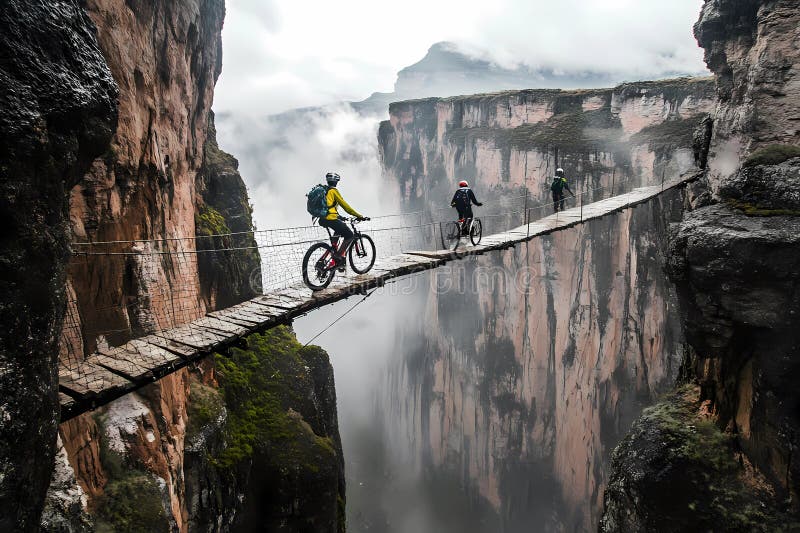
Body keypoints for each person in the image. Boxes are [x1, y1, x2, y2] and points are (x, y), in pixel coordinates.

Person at [318, 172, 368, 268]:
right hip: (331, 219)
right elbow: (346, 207)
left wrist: (339, 217)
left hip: (322, 219)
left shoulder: (324, 190)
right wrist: (359, 215)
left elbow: (329, 207)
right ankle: (337, 257)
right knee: (349, 235)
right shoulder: (334, 191)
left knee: (337, 233)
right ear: (336, 181)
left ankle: (326, 258)